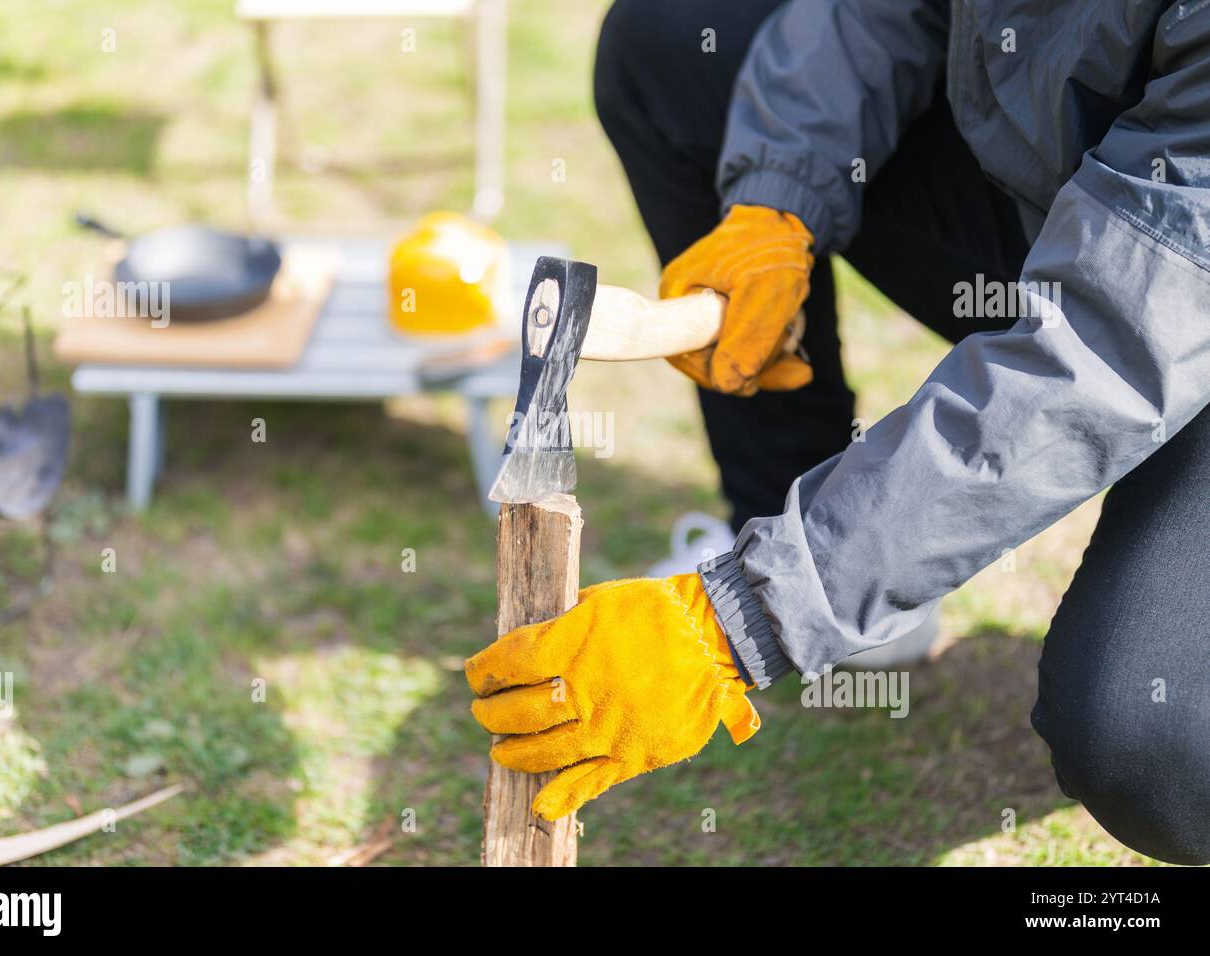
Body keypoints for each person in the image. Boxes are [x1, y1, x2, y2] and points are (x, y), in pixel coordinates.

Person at [465, 0, 1210, 865]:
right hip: (1086, 222)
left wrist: (740, 617)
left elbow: (1112, 338)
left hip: (1159, 287)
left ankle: (808, 577)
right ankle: (817, 559)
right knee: (674, 44)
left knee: (1155, 748)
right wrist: (776, 202)